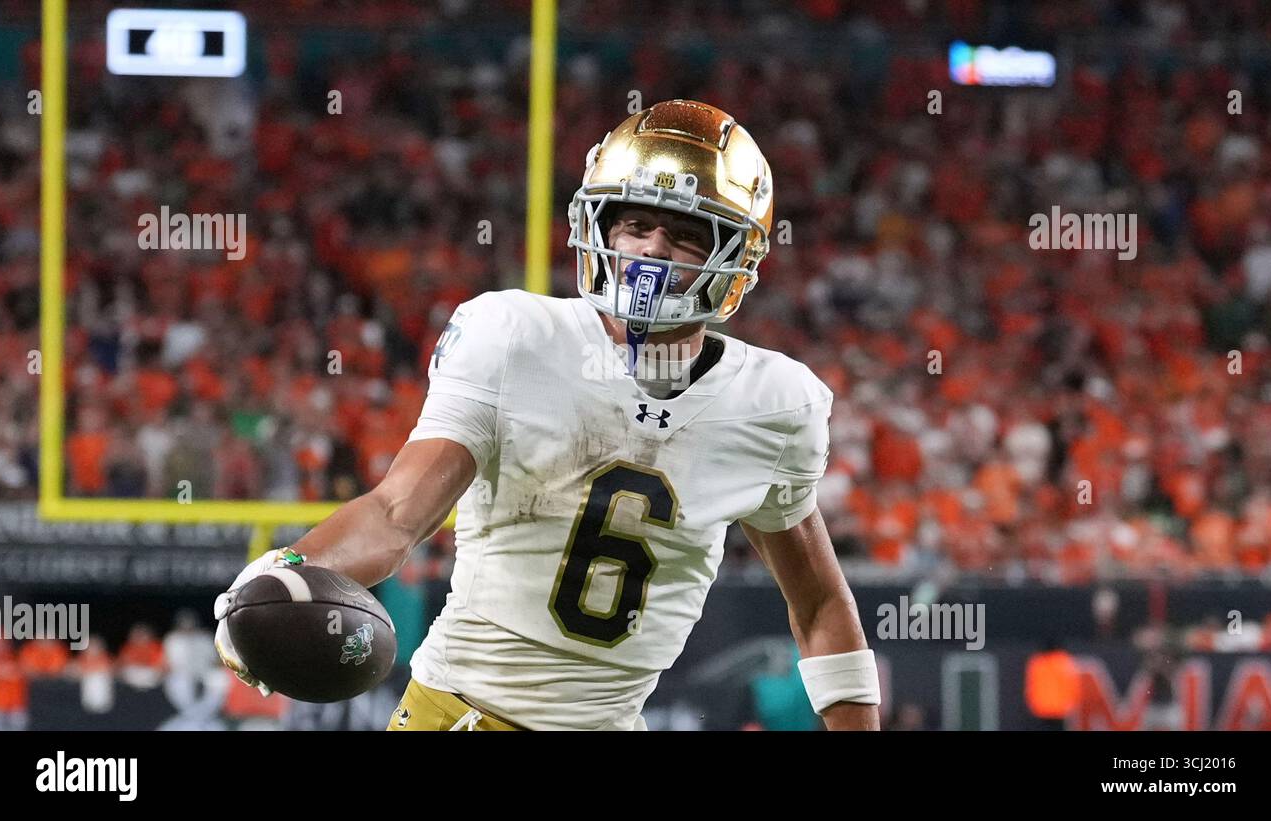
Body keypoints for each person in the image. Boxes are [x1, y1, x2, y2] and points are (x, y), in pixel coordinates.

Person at [214, 100, 879, 731]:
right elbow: (393, 516)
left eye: (682, 236)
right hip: (463, 714)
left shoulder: (771, 403)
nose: (650, 249)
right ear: (598, 225)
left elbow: (819, 604)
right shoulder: (514, 338)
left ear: (733, 257)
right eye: (635, 224)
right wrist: (285, 568)